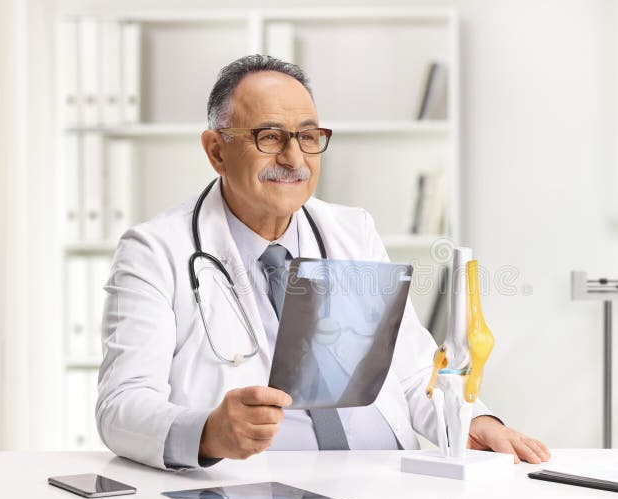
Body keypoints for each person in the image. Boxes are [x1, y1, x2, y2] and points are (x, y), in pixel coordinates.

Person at [96, 55, 550, 470]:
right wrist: (208, 433)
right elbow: (122, 405)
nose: (294, 158)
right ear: (216, 150)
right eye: (270, 137)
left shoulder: (353, 231)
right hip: (255, 492)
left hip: (387, 484)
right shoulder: (155, 251)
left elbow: (412, 368)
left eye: (308, 137)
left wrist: (474, 421)